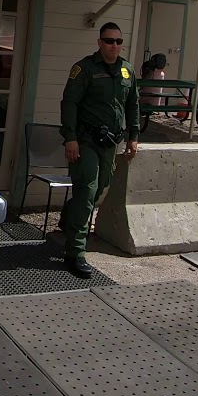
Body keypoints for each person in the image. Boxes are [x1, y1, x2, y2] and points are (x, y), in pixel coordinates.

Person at [58, 22, 140, 279]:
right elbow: (69, 103)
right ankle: (75, 253)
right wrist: (70, 138)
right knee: (87, 190)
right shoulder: (84, 68)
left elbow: (133, 104)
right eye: (108, 40)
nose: (114, 45)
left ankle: (68, 219)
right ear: (99, 42)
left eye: (117, 41)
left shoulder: (127, 71)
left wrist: (134, 136)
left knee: (101, 187)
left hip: (110, 143)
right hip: (85, 141)